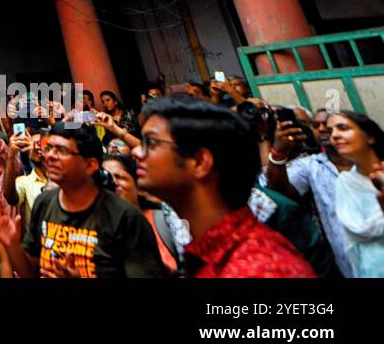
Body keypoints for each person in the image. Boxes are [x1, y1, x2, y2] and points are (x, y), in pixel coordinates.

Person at [134, 97, 313, 277]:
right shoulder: (208, 253)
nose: (136, 152)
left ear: (200, 162)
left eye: (151, 142)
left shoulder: (259, 268)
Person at [0, 123, 165, 278]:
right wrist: (13, 246)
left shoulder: (125, 217)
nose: (50, 156)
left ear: (90, 165)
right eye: (48, 148)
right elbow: (32, 271)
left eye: (62, 150)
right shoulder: (44, 203)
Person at [103, 152, 186, 274]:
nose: (112, 183)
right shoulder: (95, 227)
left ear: (139, 187)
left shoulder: (165, 219)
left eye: (119, 177)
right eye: (106, 178)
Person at [327, 110, 384, 277]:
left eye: (343, 128)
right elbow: (358, 228)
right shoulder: (345, 182)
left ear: (369, 137)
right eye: (331, 131)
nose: (334, 135)